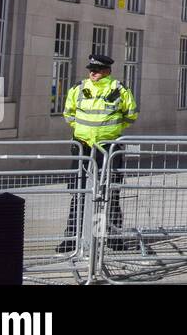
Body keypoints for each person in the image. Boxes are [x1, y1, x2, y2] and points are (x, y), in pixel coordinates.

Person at [58, 53, 138, 253]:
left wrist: (111, 131)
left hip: (109, 148)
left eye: (97, 70)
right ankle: (72, 238)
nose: (93, 73)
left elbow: (131, 115)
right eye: (91, 70)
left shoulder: (119, 90)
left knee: (110, 192)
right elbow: (68, 114)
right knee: (79, 193)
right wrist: (83, 132)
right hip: (83, 147)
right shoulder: (78, 88)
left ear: (107, 71)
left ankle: (110, 236)